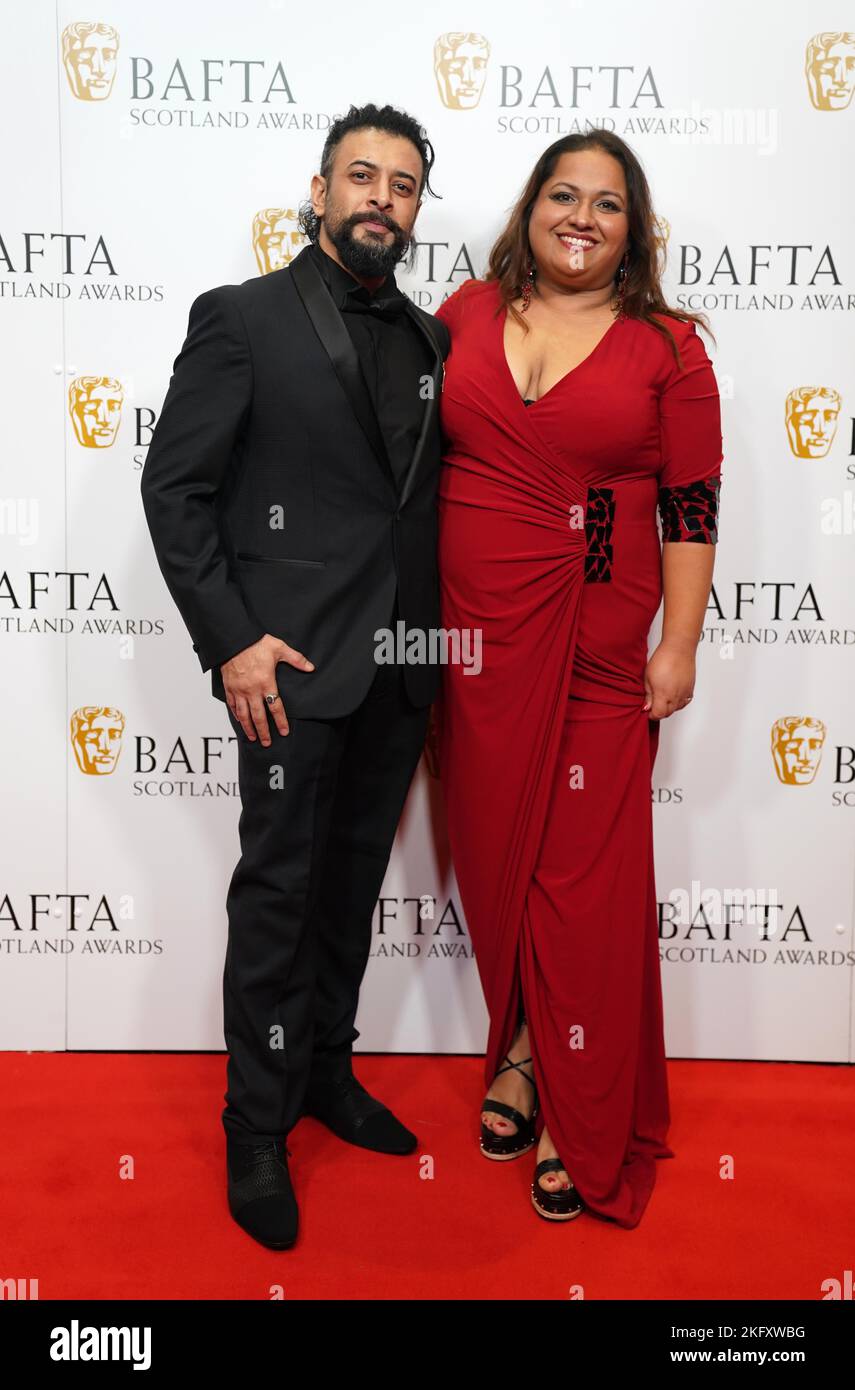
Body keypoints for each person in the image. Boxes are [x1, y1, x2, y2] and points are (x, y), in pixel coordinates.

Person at [140, 103, 449, 1249]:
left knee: (349, 893)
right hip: (285, 668)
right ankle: (254, 1126)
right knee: (277, 897)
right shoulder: (242, 319)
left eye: (403, 184)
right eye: (360, 176)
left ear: (416, 210)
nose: (380, 197)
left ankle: (324, 1071)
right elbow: (176, 491)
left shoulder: (430, 342)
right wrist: (230, 640)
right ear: (317, 193)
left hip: (397, 674)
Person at [433, 129, 723, 1226]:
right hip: (472, 640)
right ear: (532, 205)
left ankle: (579, 1105)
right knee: (500, 854)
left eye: (609, 204)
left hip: (599, 636)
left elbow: (689, 505)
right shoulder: (463, 312)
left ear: (632, 230)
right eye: (565, 194)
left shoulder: (670, 347)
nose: (583, 217)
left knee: (583, 881)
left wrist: (680, 642)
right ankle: (516, 1049)